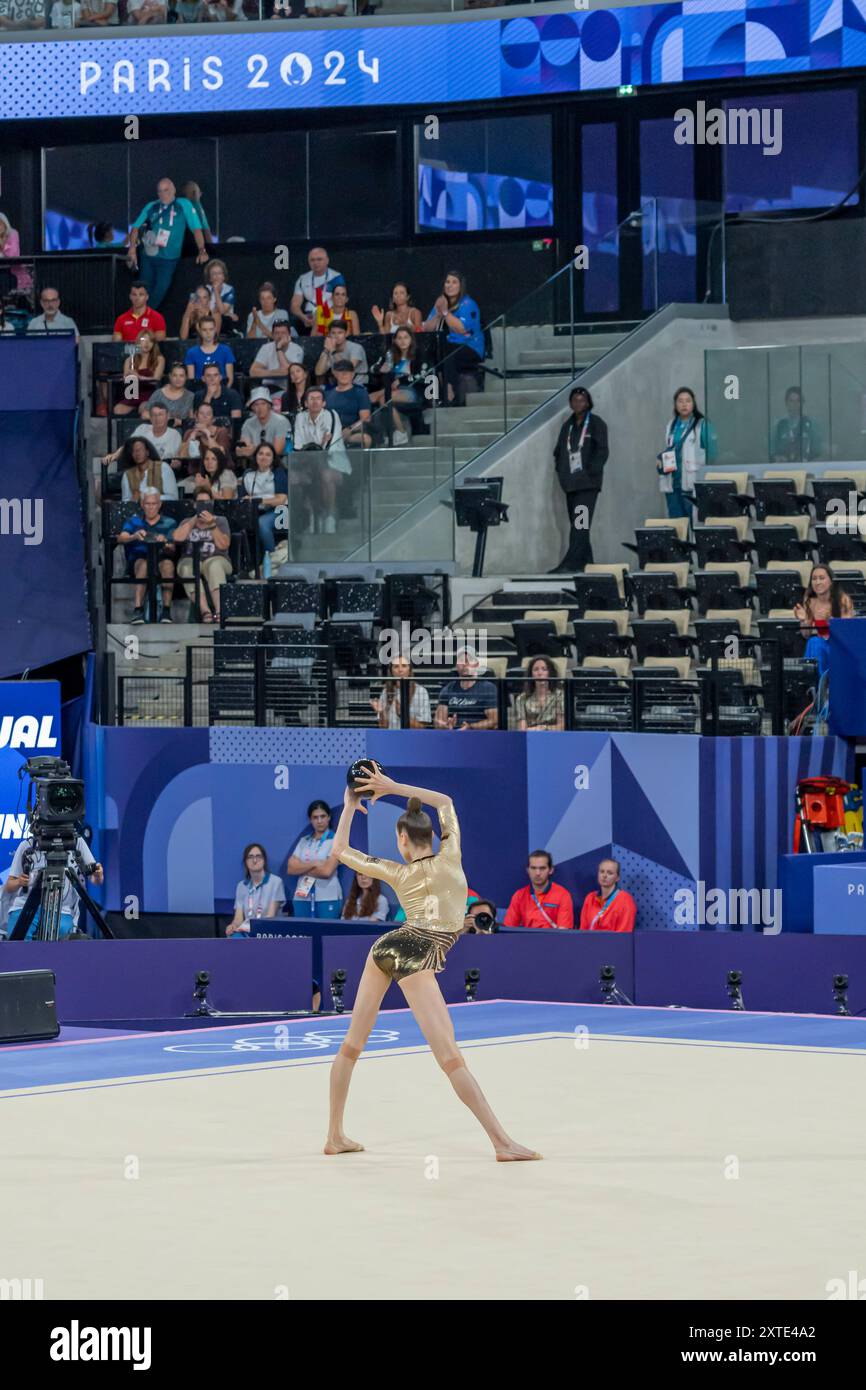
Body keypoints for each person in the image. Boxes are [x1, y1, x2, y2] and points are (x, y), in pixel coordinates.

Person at [327, 765, 541, 1161]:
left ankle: (334, 1134)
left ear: (403, 839)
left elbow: (338, 852)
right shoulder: (452, 857)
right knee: (451, 1057)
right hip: (416, 954)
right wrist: (393, 788)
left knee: (352, 1046)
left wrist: (348, 805)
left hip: (387, 947)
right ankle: (501, 1142)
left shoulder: (396, 871)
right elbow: (445, 802)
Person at [551, 385, 609, 572]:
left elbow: (602, 451)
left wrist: (591, 472)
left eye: (582, 400)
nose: (578, 403)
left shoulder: (596, 423)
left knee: (580, 524)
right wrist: (562, 473)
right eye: (575, 400)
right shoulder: (567, 426)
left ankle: (571, 563)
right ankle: (587, 563)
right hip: (570, 486)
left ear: (588, 402)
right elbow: (559, 452)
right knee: (579, 525)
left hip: (587, 486)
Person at [127, 177, 208, 308]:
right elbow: (135, 227)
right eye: (160, 191)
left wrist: (202, 249)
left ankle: (144, 318)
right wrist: (132, 250)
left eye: (166, 190)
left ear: (174, 190)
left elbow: (196, 229)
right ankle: (140, 320)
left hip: (169, 258)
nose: (163, 194)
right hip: (149, 255)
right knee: (141, 291)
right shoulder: (151, 206)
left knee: (160, 290)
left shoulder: (184, 204)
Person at [4, 834, 103, 941]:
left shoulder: (77, 842)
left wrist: (98, 875)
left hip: (62, 910)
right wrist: (19, 881)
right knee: (17, 946)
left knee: (60, 948)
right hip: (25, 907)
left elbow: (96, 879)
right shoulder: (27, 845)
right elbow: (9, 886)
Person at [421, 271, 484, 407]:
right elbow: (426, 328)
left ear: (461, 286)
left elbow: (461, 329)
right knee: (430, 354)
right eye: (447, 282)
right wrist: (438, 315)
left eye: (454, 282)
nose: (450, 285)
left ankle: (449, 390)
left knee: (448, 352)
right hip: (449, 347)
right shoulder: (441, 303)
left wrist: (445, 312)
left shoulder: (468, 303)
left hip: (470, 348)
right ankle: (432, 397)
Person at [292, 387, 350, 534]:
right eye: (311, 398)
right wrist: (319, 442)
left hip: (334, 463)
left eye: (318, 398)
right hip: (308, 464)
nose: (315, 402)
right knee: (295, 478)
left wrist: (315, 445)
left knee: (325, 476)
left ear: (324, 403)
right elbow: (298, 447)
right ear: (305, 403)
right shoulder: (300, 418)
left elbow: (326, 447)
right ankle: (309, 517)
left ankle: (330, 515)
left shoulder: (331, 414)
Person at [116, 486, 177, 624]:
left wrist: (165, 542)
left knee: (168, 566)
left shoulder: (169, 522)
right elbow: (121, 538)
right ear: (142, 504)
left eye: (154, 504)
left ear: (159, 504)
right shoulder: (134, 521)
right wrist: (134, 536)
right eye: (148, 504)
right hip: (139, 558)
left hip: (161, 557)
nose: (151, 507)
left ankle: (166, 611)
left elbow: (172, 549)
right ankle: (138, 609)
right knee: (144, 564)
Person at [173, 488, 232, 623]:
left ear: (212, 503)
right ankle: (205, 611)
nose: (204, 505)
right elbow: (177, 538)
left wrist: (212, 525)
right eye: (200, 503)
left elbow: (224, 545)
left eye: (207, 502)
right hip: (191, 559)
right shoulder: (187, 522)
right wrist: (194, 520)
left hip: (218, 559)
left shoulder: (221, 521)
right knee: (188, 568)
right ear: (194, 504)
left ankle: (219, 611)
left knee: (213, 566)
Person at [657, 386, 713, 520]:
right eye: (680, 401)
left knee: (694, 522)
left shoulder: (702, 424)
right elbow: (670, 448)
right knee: (677, 525)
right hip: (672, 481)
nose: (684, 404)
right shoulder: (671, 425)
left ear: (693, 404)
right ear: (675, 405)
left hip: (691, 481)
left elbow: (712, 455)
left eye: (688, 401)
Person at [794, 563, 854, 676]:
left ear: (831, 581)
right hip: (820, 644)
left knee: (817, 643)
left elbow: (847, 632)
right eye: (814, 579)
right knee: (814, 642)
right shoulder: (810, 601)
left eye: (822, 578)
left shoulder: (843, 600)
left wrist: (830, 622)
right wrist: (804, 620)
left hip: (840, 645)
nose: (817, 582)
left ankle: (823, 686)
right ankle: (816, 685)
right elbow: (806, 634)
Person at [287, 800, 343, 918]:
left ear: (329, 817)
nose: (319, 821)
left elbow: (326, 871)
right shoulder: (304, 841)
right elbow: (291, 868)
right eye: (315, 817)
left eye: (322, 816)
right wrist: (315, 863)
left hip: (328, 897)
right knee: (303, 934)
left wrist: (301, 867)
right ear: (310, 819)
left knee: (327, 934)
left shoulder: (336, 841)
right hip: (302, 898)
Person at [376, 327, 428, 442]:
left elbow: (423, 376)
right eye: (399, 338)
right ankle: (379, 433)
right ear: (395, 340)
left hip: (412, 390)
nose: (403, 341)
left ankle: (401, 432)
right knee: (370, 398)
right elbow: (375, 366)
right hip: (392, 388)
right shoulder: (391, 354)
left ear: (411, 340)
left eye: (405, 337)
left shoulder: (418, 354)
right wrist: (380, 368)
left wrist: (402, 380)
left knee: (384, 399)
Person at [226, 844, 286, 936]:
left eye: (258, 856)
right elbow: (238, 919)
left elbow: (270, 917)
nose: (254, 860)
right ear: (245, 861)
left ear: (264, 860)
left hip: (269, 932)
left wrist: (249, 928)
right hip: (248, 930)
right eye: (250, 857)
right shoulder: (241, 886)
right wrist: (233, 926)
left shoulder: (276, 882)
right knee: (233, 936)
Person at [504, 850, 574, 929]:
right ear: (528, 870)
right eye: (533, 868)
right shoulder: (519, 896)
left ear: (551, 870)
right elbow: (509, 928)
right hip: (526, 940)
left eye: (542, 868)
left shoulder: (563, 895)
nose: (537, 873)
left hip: (553, 940)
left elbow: (564, 933)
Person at [241, 441, 288, 556]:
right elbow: (244, 498)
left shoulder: (278, 473)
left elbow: (281, 499)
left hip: (280, 510)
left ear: (273, 458)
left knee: (262, 523)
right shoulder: (248, 475)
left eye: (268, 454)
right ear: (255, 456)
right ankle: (248, 561)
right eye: (260, 453)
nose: (263, 457)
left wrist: (259, 500)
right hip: (256, 511)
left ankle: (271, 557)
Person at [434, 649, 498, 730]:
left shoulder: (488, 688)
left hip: (480, 736)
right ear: (456, 665)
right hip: (454, 735)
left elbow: (494, 720)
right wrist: (446, 725)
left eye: (469, 660)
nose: (465, 663)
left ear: (477, 664)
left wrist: (471, 727)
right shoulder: (448, 689)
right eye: (461, 660)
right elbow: (437, 720)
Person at [291, 246, 345, 333]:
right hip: (308, 316)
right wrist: (303, 317)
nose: (315, 263)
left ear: (327, 260)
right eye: (312, 260)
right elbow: (295, 305)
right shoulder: (302, 279)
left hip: (330, 314)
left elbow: (341, 301)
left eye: (319, 259)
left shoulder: (337, 277)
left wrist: (320, 316)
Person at [114, 329, 165, 417]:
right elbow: (125, 379)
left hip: (149, 393)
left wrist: (140, 377)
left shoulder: (159, 359)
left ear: (153, 344)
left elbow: (157, 378)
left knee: (143, 407)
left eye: (150, 341)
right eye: (143, 340)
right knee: (117, 410)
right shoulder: (129, 360)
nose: (146, 343)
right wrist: (129, 375)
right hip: (133, 393)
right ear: (138, 342)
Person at [371, 656, 431, 729]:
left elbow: (422, 727)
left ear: (410, 670)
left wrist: (403, 714)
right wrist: (381, 712)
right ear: (391, 671)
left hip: (412, 738)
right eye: (396, 667)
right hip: (391, 737)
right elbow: (383, 727)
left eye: (404, 666)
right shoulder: (386, 692)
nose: (400, 670)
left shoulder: (421, 691)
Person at [578, 859, 637, 933]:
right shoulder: (590, 898)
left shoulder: (625, 900)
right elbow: (583, 930)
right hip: (588, 943)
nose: (604, 876)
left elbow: (624, 935)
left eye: (610, 873)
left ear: (617, 878)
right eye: (602, 871)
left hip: (613, 943)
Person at [249, 319, 303, 399]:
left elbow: (287, 372)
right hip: (266, 388)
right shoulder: (266, 348)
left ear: (289, 334)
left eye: (283, 333)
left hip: (288, 389)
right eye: (277, 333)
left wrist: (279, 349)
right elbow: (253, 372)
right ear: (273, 335)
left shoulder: (297, 349)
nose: (280, 336)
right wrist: (275, 372)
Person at [324, 360, 372, 448]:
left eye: (348, 371)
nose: (344, 374)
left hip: (350, 432)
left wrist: (350, 429)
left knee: (366, 439)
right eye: (341, 371)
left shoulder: (360, 392)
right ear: (335, 373)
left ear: (353, 374)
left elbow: (365, 419)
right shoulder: (327, 394)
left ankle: (363, 462)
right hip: (329, 433)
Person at [117, 436, 178, 502]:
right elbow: (125, 502)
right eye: (133, 451)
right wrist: (133, 499)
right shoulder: (127, 475)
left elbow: (173, 498)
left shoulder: (163, 468)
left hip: (162, 510)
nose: (137, 454)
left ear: (147, 452)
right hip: (137, 511)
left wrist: (145, 496)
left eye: (139, 450)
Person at [772, 386, 822, 463]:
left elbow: (818, 453)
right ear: (786, 403)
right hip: (784, 471)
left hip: (805, 470)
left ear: (802, 403)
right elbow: (773, 452)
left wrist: (808, 460)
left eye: (798, 401)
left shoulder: (810, 424)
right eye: (791, 401)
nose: (794, 404)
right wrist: (777, 458)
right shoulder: (781, 425)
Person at [237, 387, 290, 460]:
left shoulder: (281, 421)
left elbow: (277, 451)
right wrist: (241, 451)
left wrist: (254, 450)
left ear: (269, 405)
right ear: (252, 407)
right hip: (255, 465)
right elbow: (244, 447)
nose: (260, 408)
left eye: (263, 404)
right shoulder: (248, 423)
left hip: (278, 463)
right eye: (256, 405)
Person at [514, 655, 565, 731]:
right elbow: (522, 729)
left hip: (554, 737)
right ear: (531, 674)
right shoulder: (521, 698)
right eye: (536, 670)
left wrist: (543, 728)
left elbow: (561, 727)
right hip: (531, 738)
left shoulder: (560, 696)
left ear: (550, 673)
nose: (540, 673)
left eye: (544, 669)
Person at [314, 320, 368, 386]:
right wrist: (326, 351)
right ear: (329, 335)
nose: (336, 336)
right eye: (333, 333)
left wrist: (333, 351)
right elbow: (318, 372)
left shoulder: (356, 348)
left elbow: (347, 369)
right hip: (338, 385)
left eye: (340, 333)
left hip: (358, 384)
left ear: (346, 334)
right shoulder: (329, 348)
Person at [185, 315, 235, 386]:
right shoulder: (192, 352)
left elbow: (230, 379)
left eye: (211, 329)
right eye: (204, 330)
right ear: (200, 331)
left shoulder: (225, 350)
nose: (208, 333)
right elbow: (191, 380)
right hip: (200, 392)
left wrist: (223, 394)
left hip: (222, 391)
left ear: (215, 330)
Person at [143, 361, 195, 426]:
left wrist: (182, 422)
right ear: (170, 376)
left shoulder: (190, 396)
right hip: (159, 427)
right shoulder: (159, 393)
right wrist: (165, 419)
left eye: (181, 376)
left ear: (186, 377)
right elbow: (145, 414)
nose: (178, 379)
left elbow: (192, 419)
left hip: (181, 430)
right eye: (175, 375)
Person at [200, 257, 238, 327]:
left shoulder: (229, 289)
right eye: (214, 274)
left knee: (217, 314)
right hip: (207, 319)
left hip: (225, 322)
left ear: (223, 276)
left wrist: (216, 291)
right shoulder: (206, 289)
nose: (217, 276)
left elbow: (222, 311)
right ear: (210, 278)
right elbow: (202, 308)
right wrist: (227, 313)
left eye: (219, 273)